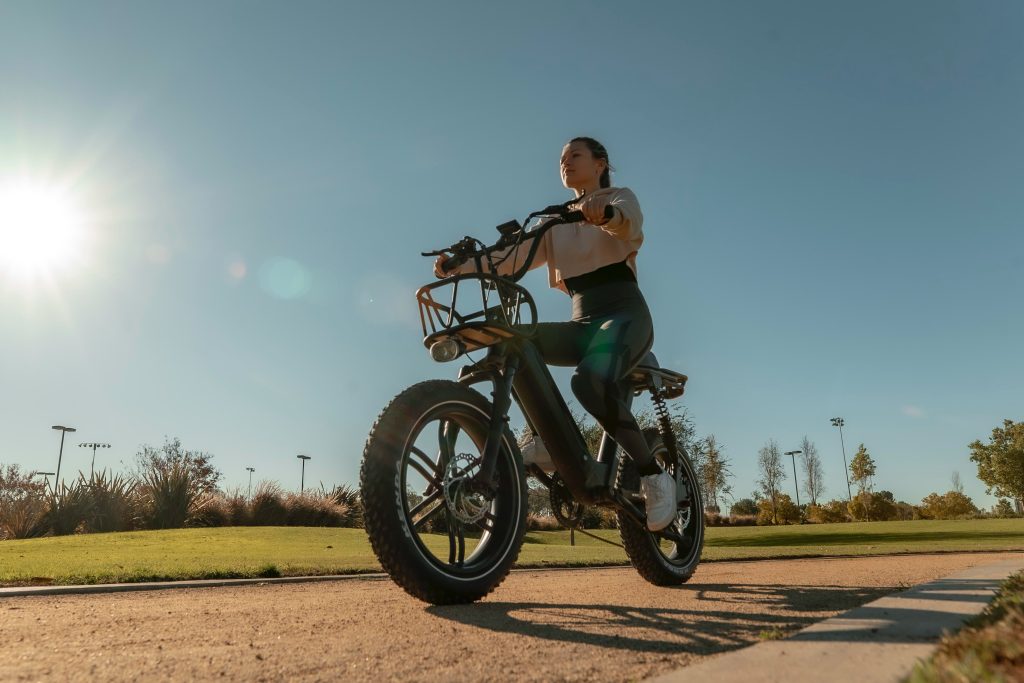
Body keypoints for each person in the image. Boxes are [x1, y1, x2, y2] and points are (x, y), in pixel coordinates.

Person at [434, 136, 676, 531]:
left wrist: (604, 213)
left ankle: (653, 475)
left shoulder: (618, 196)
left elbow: (628, 223)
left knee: (588, 381)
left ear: (600, 163)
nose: (565, 163)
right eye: (561, 160)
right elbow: (509, 259)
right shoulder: (554, 223)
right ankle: (545, 438)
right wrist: (459, 266)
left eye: (575, 156)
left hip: (625, 315)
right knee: (515, 338)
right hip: (584, 323)